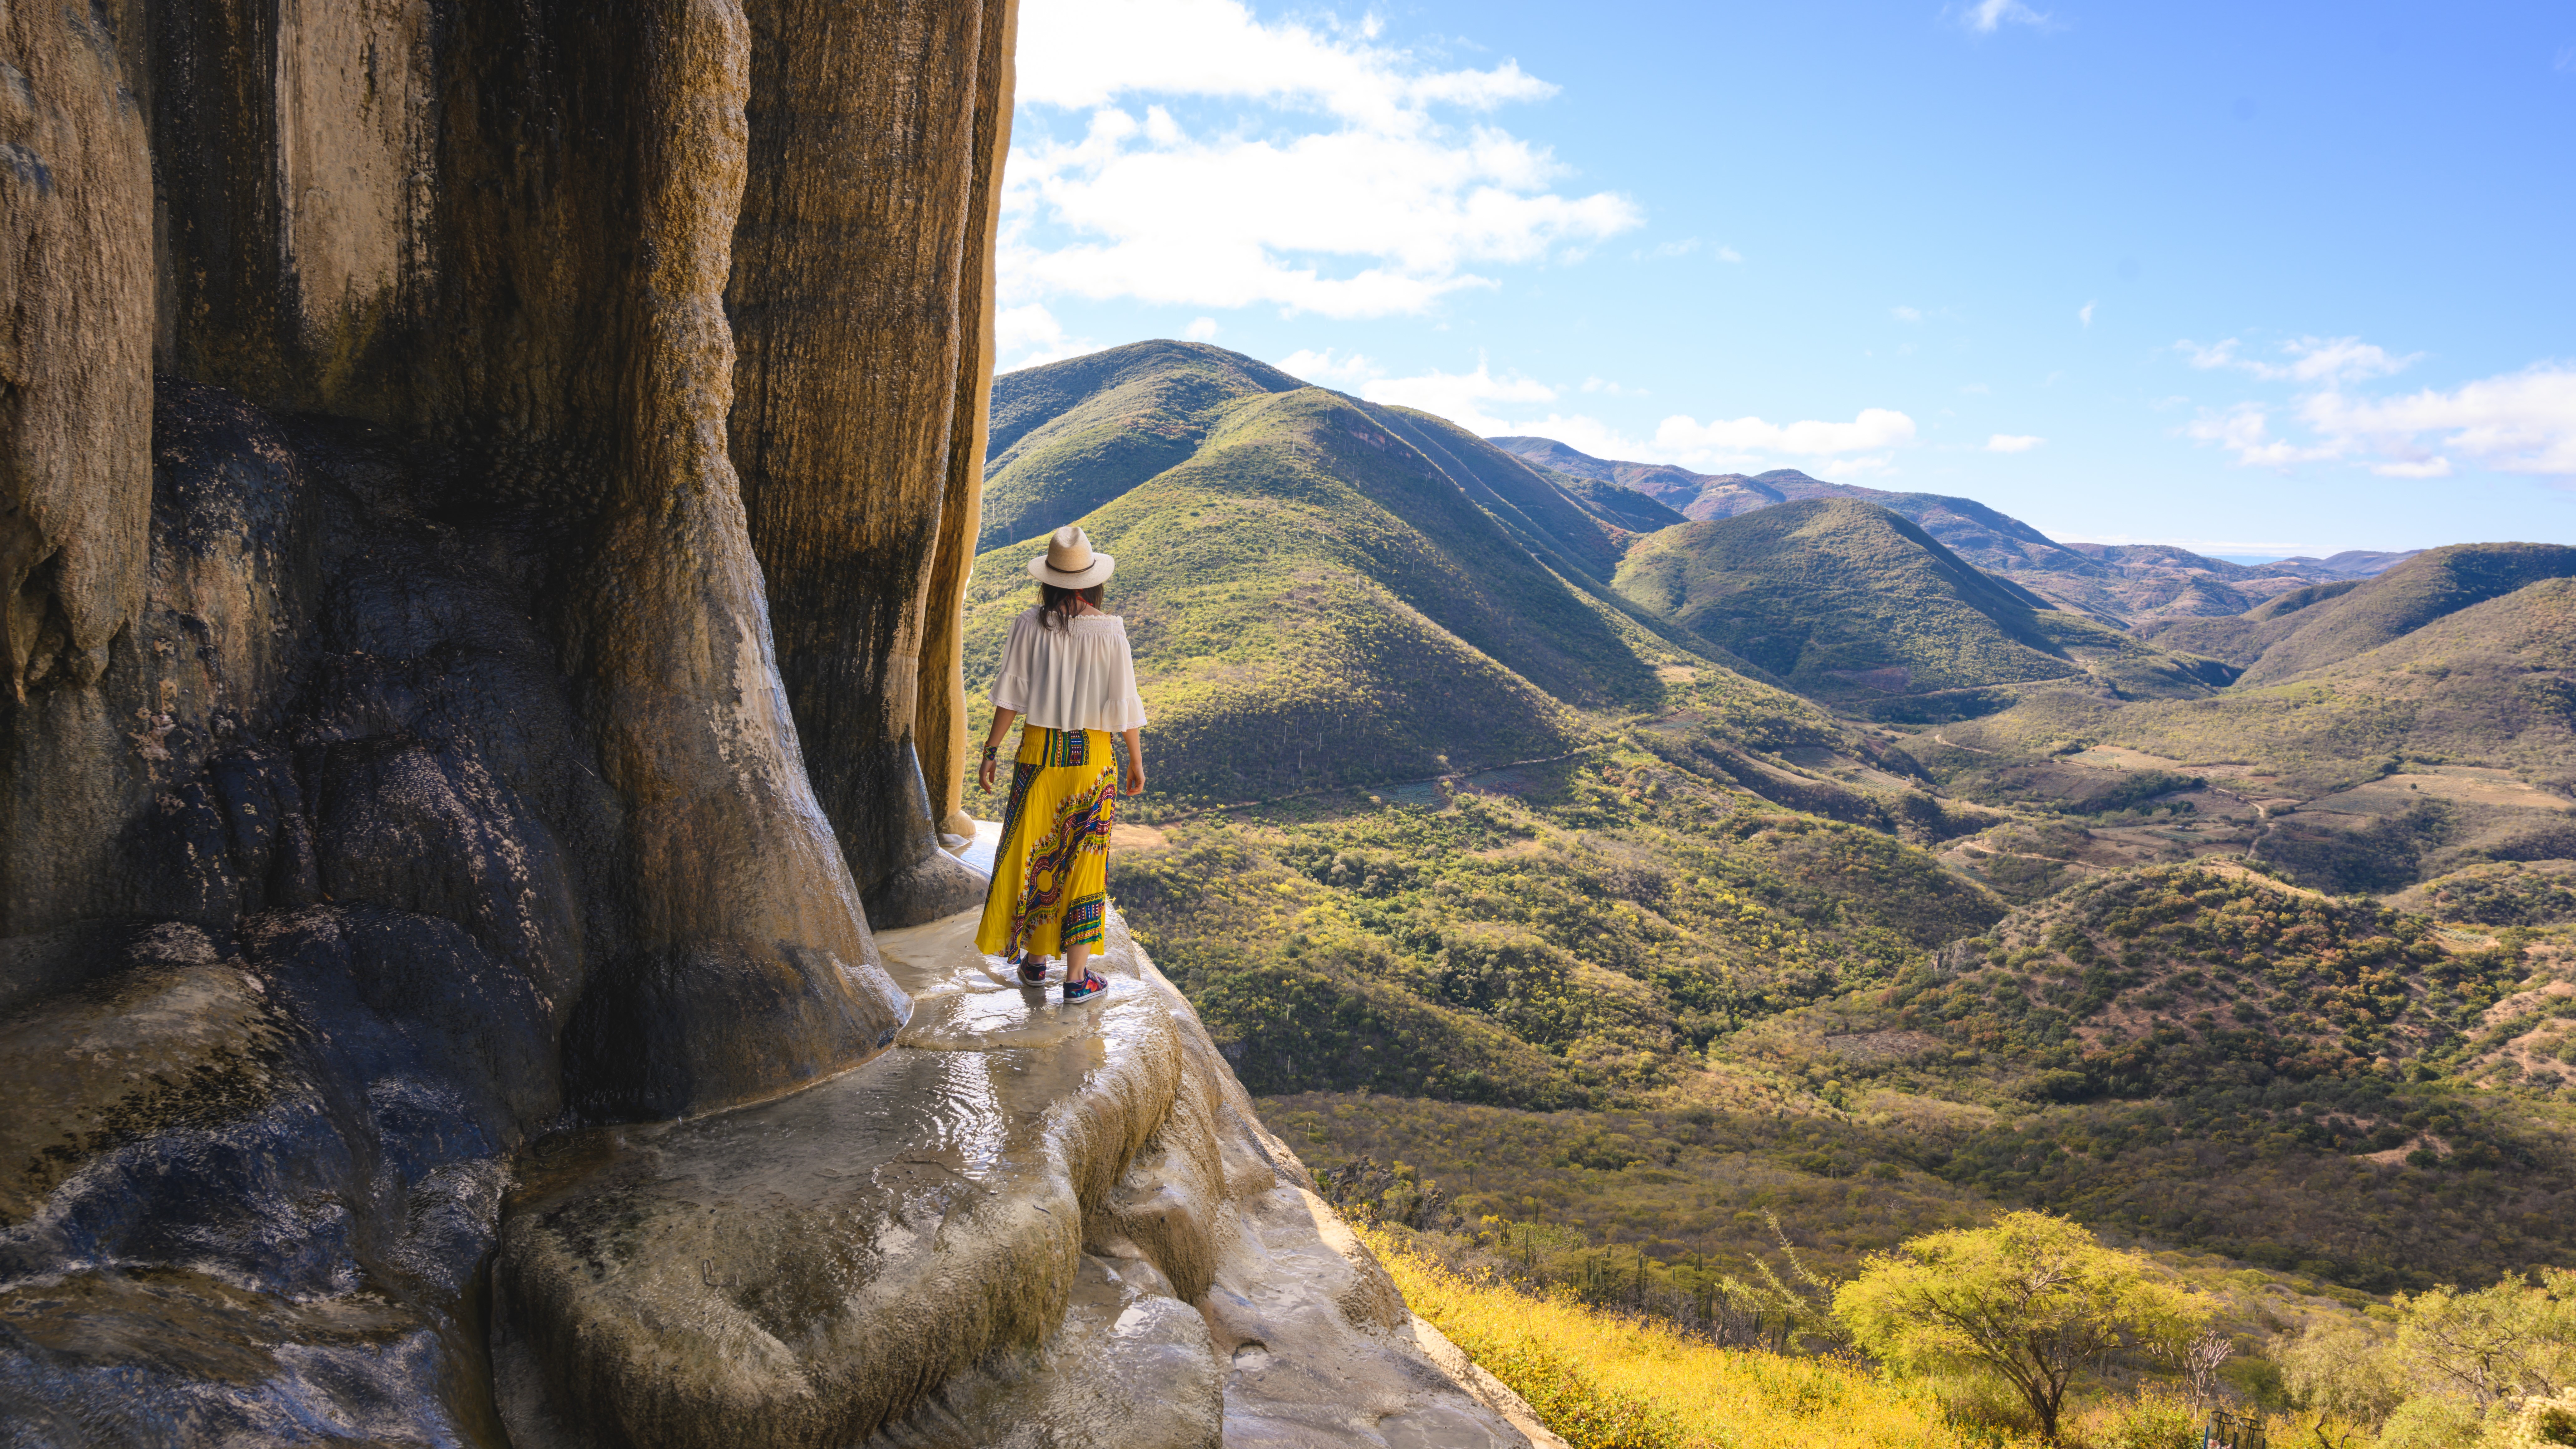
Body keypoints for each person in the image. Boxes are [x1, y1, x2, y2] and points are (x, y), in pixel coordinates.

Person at [972, 524, 1149, 1003]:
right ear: (1092, 581)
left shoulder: (1029, 625)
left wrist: (990, 751)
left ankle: (1033, 963)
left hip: (1037, 756)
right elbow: (1124, 704)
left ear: (1049, 579)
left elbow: (1010, 695)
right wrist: (1135, 760)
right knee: (1083, 861)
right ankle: (1076, 979)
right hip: (1092, 759)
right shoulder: (1110, 631)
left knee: (1035, 855)